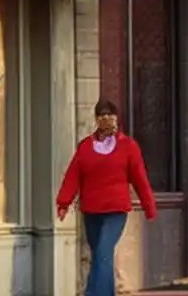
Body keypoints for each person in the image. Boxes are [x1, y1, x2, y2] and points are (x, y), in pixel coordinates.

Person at [56, 100, 158, 296]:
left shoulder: (128, 146)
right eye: (102, 115)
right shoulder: (85, 147)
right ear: (96, 119)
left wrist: (149, 206)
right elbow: (73, 176)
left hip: (115, 211)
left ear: (116, 118)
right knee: (101, 257)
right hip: (91, 211)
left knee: (103, 253)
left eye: (110, 115)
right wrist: (63, 202)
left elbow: (139, 178)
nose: (106, 118)